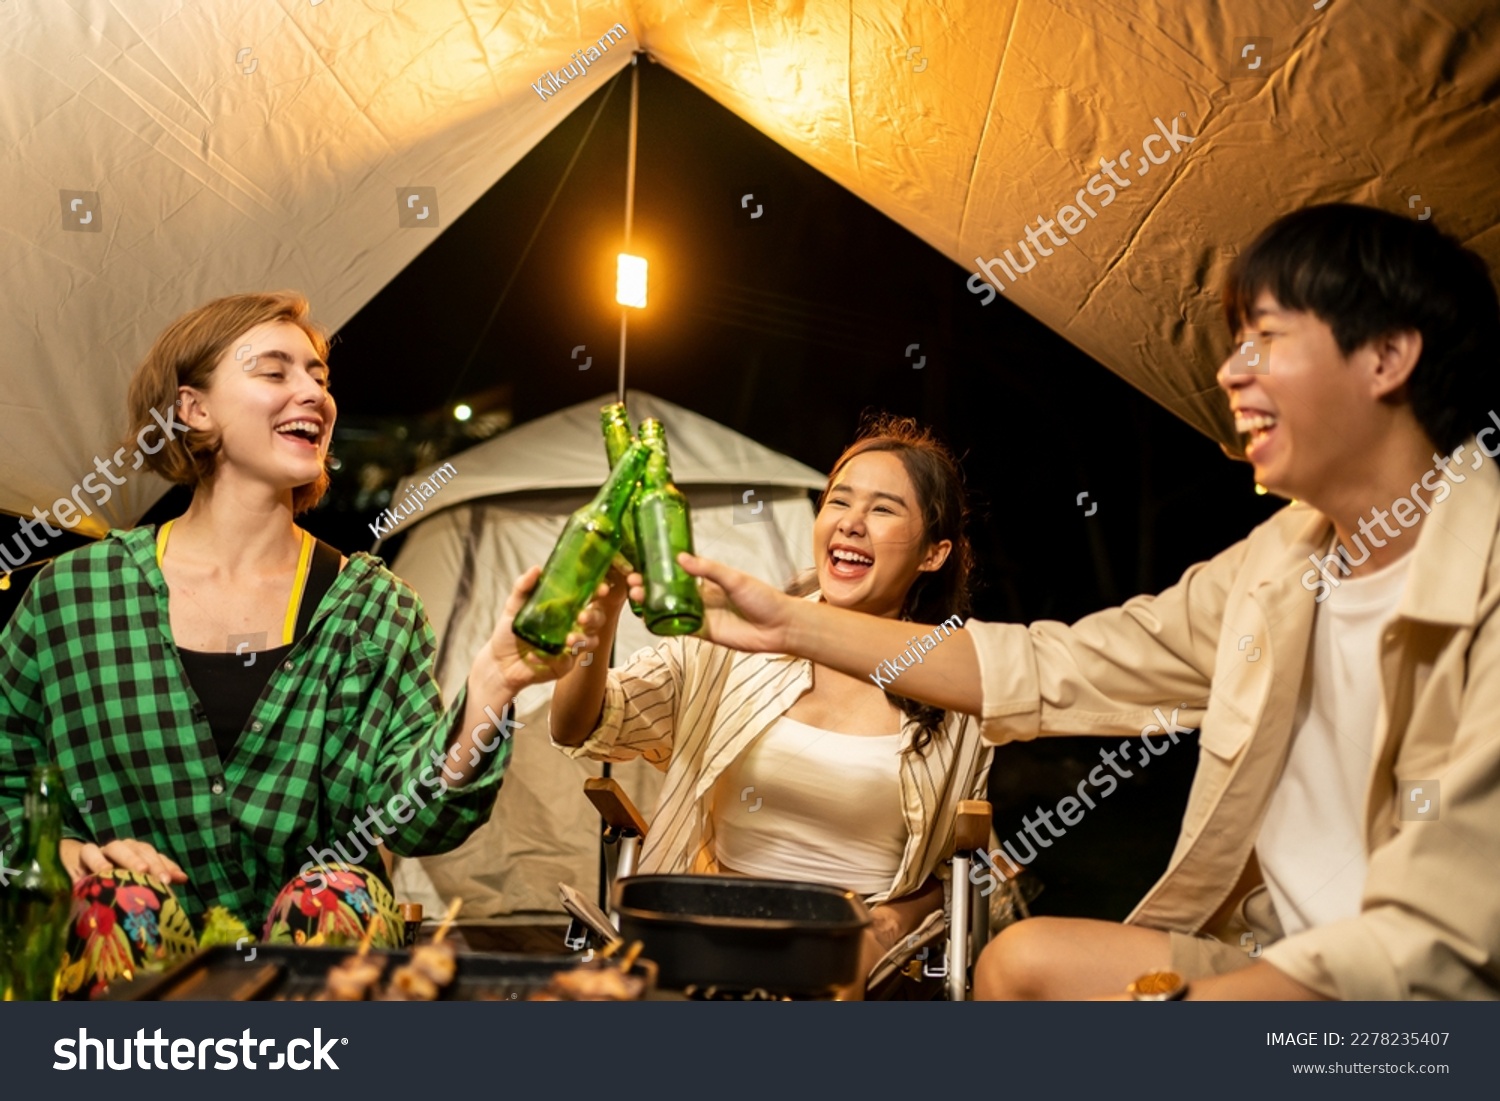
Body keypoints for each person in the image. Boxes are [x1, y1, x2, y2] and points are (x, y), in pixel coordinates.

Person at [674, 203, 1500, 1000]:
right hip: (1267, 945)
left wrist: (1153, 1023)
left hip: (1401, 1006)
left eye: (1268, 339)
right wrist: (790, 621)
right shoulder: (1281, 561)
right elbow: (1054, 665)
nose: (1229, 372)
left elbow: (1437, 944)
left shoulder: (1485, 576)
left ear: (1387, 357)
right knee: (1021, 960)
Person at [0, 292, 600, 996]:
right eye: (275, 371)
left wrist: (492, 685)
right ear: (194, 410)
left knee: (337, 893)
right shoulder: (74, 596)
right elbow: (7, 779)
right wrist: (60, 848)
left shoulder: (371, 608)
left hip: (317, 970)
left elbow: (415, 819)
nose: (312, 391)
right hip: (125, 959)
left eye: (319, 375)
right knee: (111, 903)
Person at [549, 414, 991, 991]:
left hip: (856, 942)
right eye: (839, 501)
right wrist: (601, 615)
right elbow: (577, 726)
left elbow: (955, 866)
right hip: (717, 918)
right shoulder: (738, 636)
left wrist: (885, 925)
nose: (852, 524)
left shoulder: (953, 684)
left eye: (883, 510)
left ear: (933, 555)